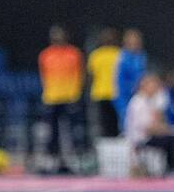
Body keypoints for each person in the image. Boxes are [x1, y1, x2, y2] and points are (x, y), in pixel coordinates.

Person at [38, 25, 85, 173]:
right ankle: (52, 162)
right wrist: (48, 93)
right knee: (52, 133)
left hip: (70, 98)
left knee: (72, 131)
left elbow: (79, 76)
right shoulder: (45, 55)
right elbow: (43, 77)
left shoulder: (74, 54)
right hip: (52, 98)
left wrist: (75, 94)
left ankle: (73, 161)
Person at [124, 72, 174, 173]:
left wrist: (166, 128)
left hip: (151, 134)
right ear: (144, 86)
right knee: (171, 140)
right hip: (141, 139)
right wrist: (166, 130)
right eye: (154, 85)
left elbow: (159, 121)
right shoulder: (138, 103)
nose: (157, 88)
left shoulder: (152, 100)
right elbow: (147, 128)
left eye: (157, 85)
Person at [86, 27, 121, 138]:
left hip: (101, 92)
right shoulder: (120, 54)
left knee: (104, 121)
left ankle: (107, 141)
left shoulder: (96, 55)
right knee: (116, 120)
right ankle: (114, 142)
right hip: (116, 92)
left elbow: (91, 75)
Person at [115, 29, 147, 130]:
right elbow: (119, 79)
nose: (134, 45)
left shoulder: (141, 56)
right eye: (131, 42)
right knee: (126, 117)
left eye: (136, 42)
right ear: (126, 43)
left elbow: (143, 73)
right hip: (124, 93)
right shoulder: (122, 57)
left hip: (139, 91)